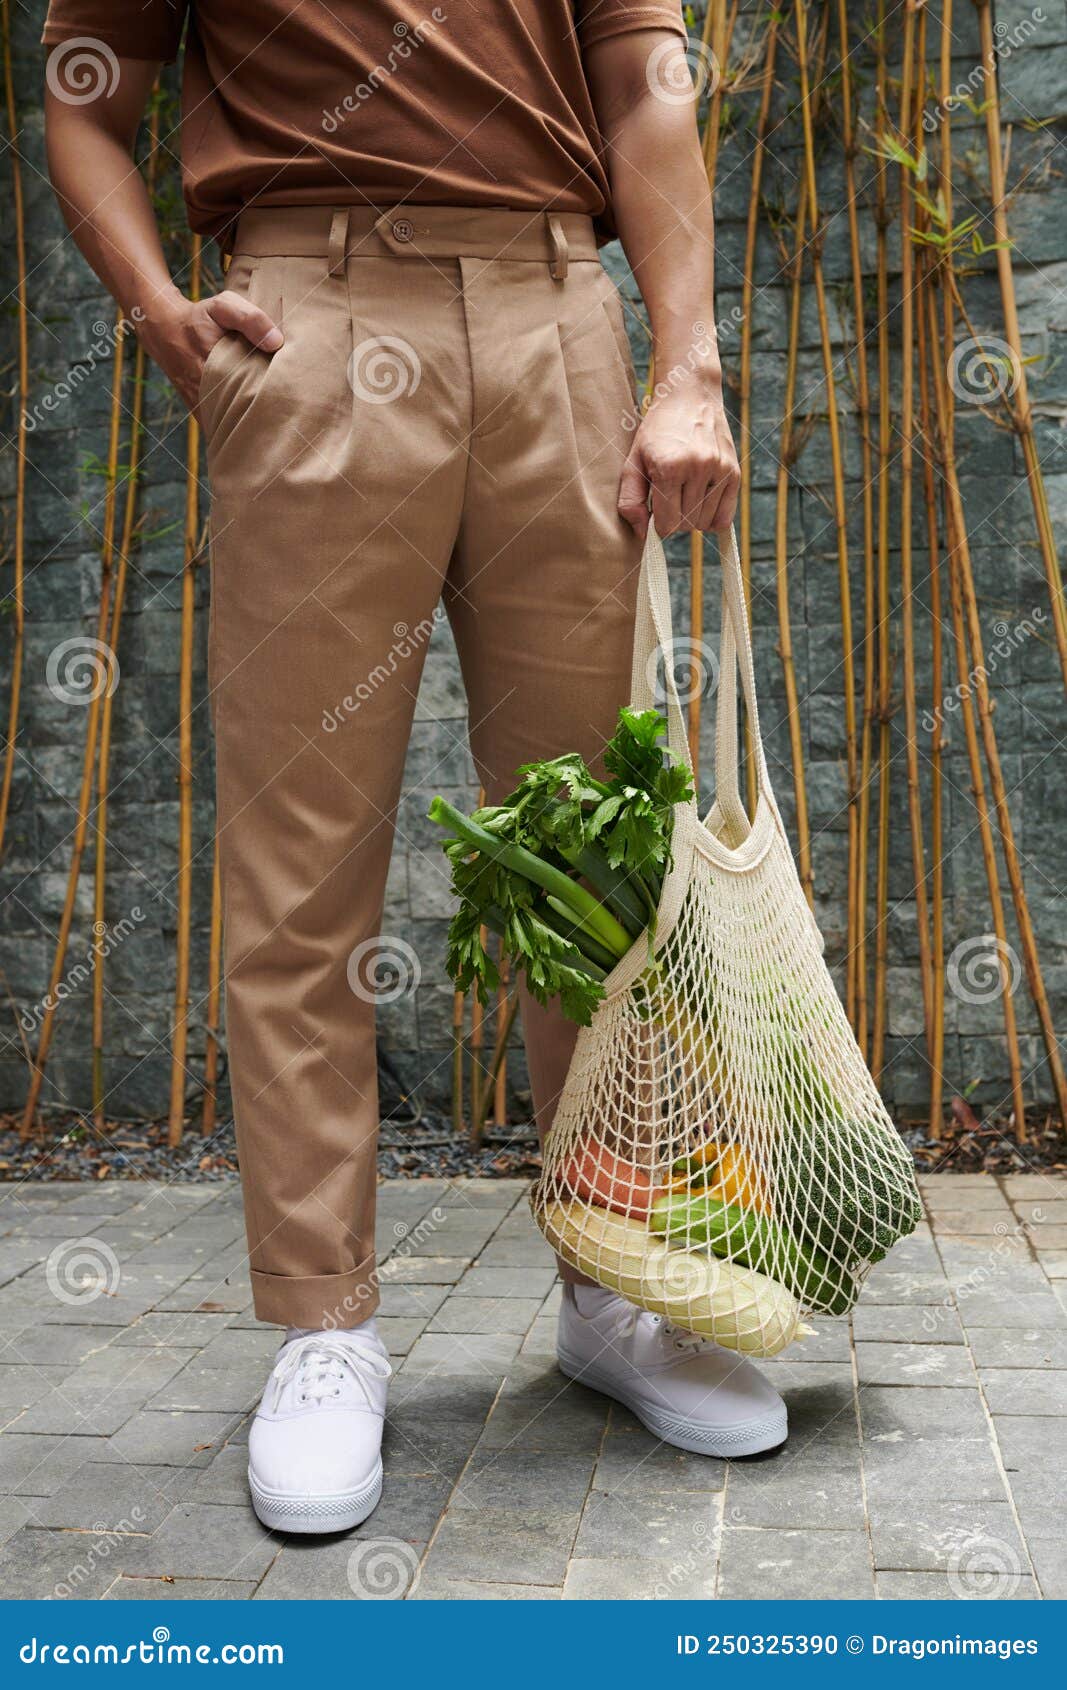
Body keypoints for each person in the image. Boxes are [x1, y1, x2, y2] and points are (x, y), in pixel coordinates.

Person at [42, 0, 785, 1535]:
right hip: (307, 315)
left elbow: (644, 83)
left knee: (596, 857)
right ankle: (324, 1322)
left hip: (555, 315)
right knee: (299, 865)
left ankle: (616, 1283)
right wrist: (159, 311)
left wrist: (687, 360)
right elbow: (83, 97)